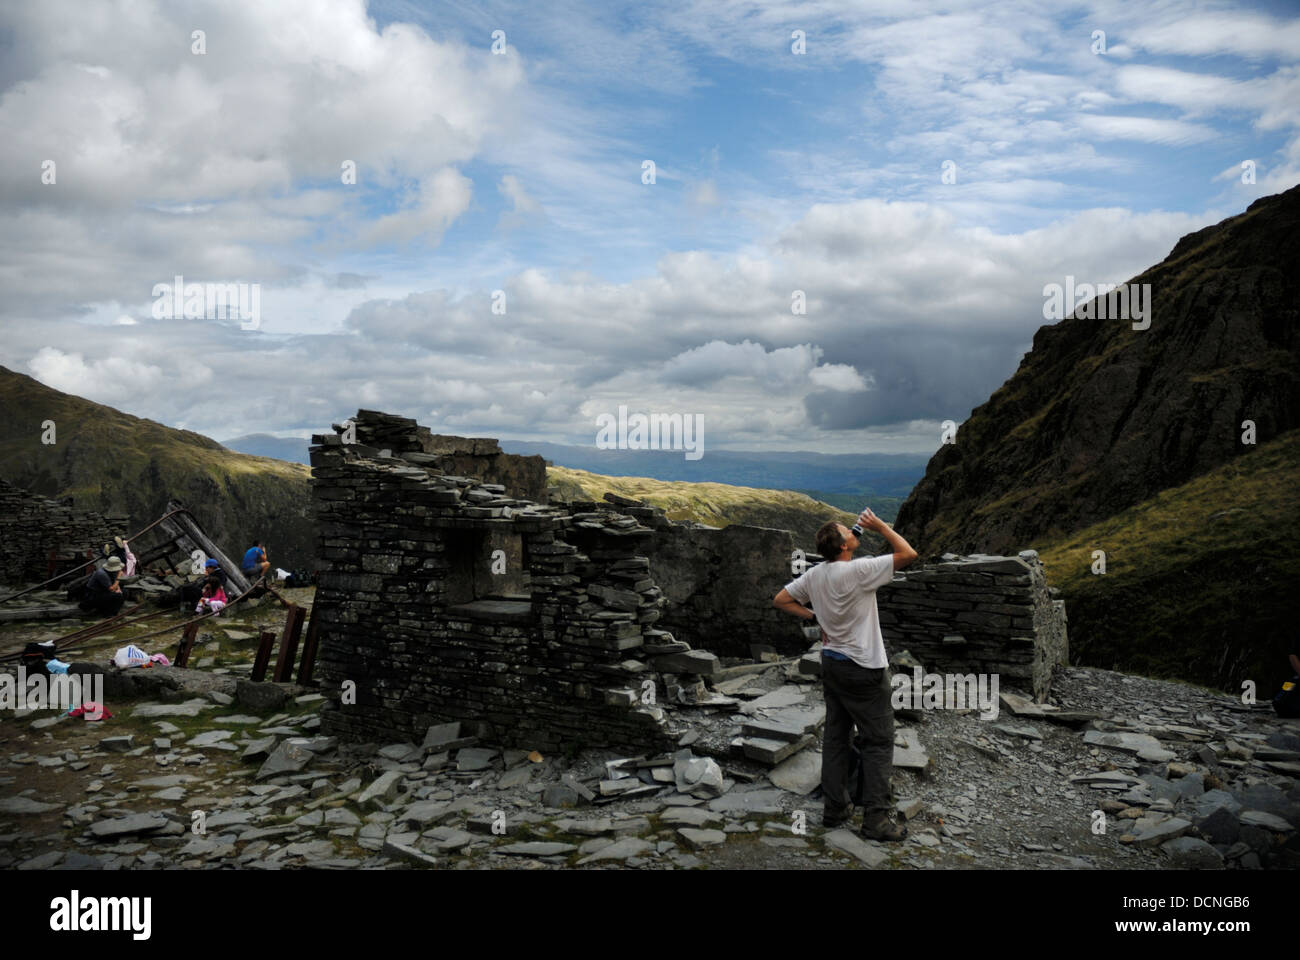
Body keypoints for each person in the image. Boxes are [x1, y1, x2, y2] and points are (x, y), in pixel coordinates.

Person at [773, 508, 917, 841]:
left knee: (837, 738)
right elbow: (908, 553)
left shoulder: (816, 574)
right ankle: (876, 821)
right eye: (847, 531)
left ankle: (835, 810)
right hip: (864, 667)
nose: (853, 532)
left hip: (832, 663)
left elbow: (780, 599)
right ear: (843, 547)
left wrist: (815, 619)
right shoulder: (860, 571)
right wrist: (881, 526)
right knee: (878, 742)